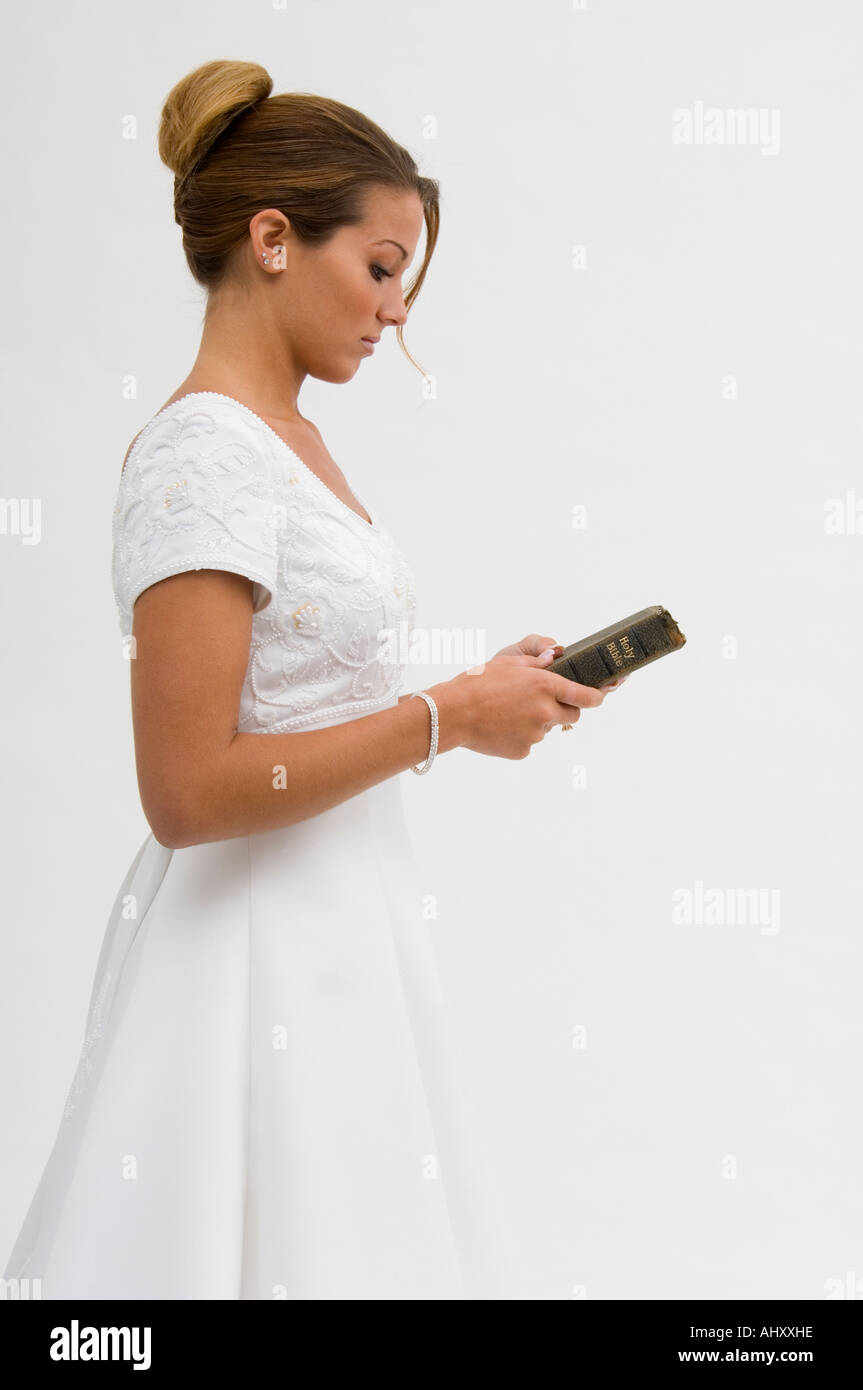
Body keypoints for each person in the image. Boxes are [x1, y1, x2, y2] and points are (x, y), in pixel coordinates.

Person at [2, 59, 624, 1301]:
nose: (396, 310)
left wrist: (472, 690)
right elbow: (183, 792)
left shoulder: (291, 441)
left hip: (350, 928)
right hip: (247, 958)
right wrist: (448, 717)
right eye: (382, 266)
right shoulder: (201, 454)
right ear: (273, 239)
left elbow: (311, 691)